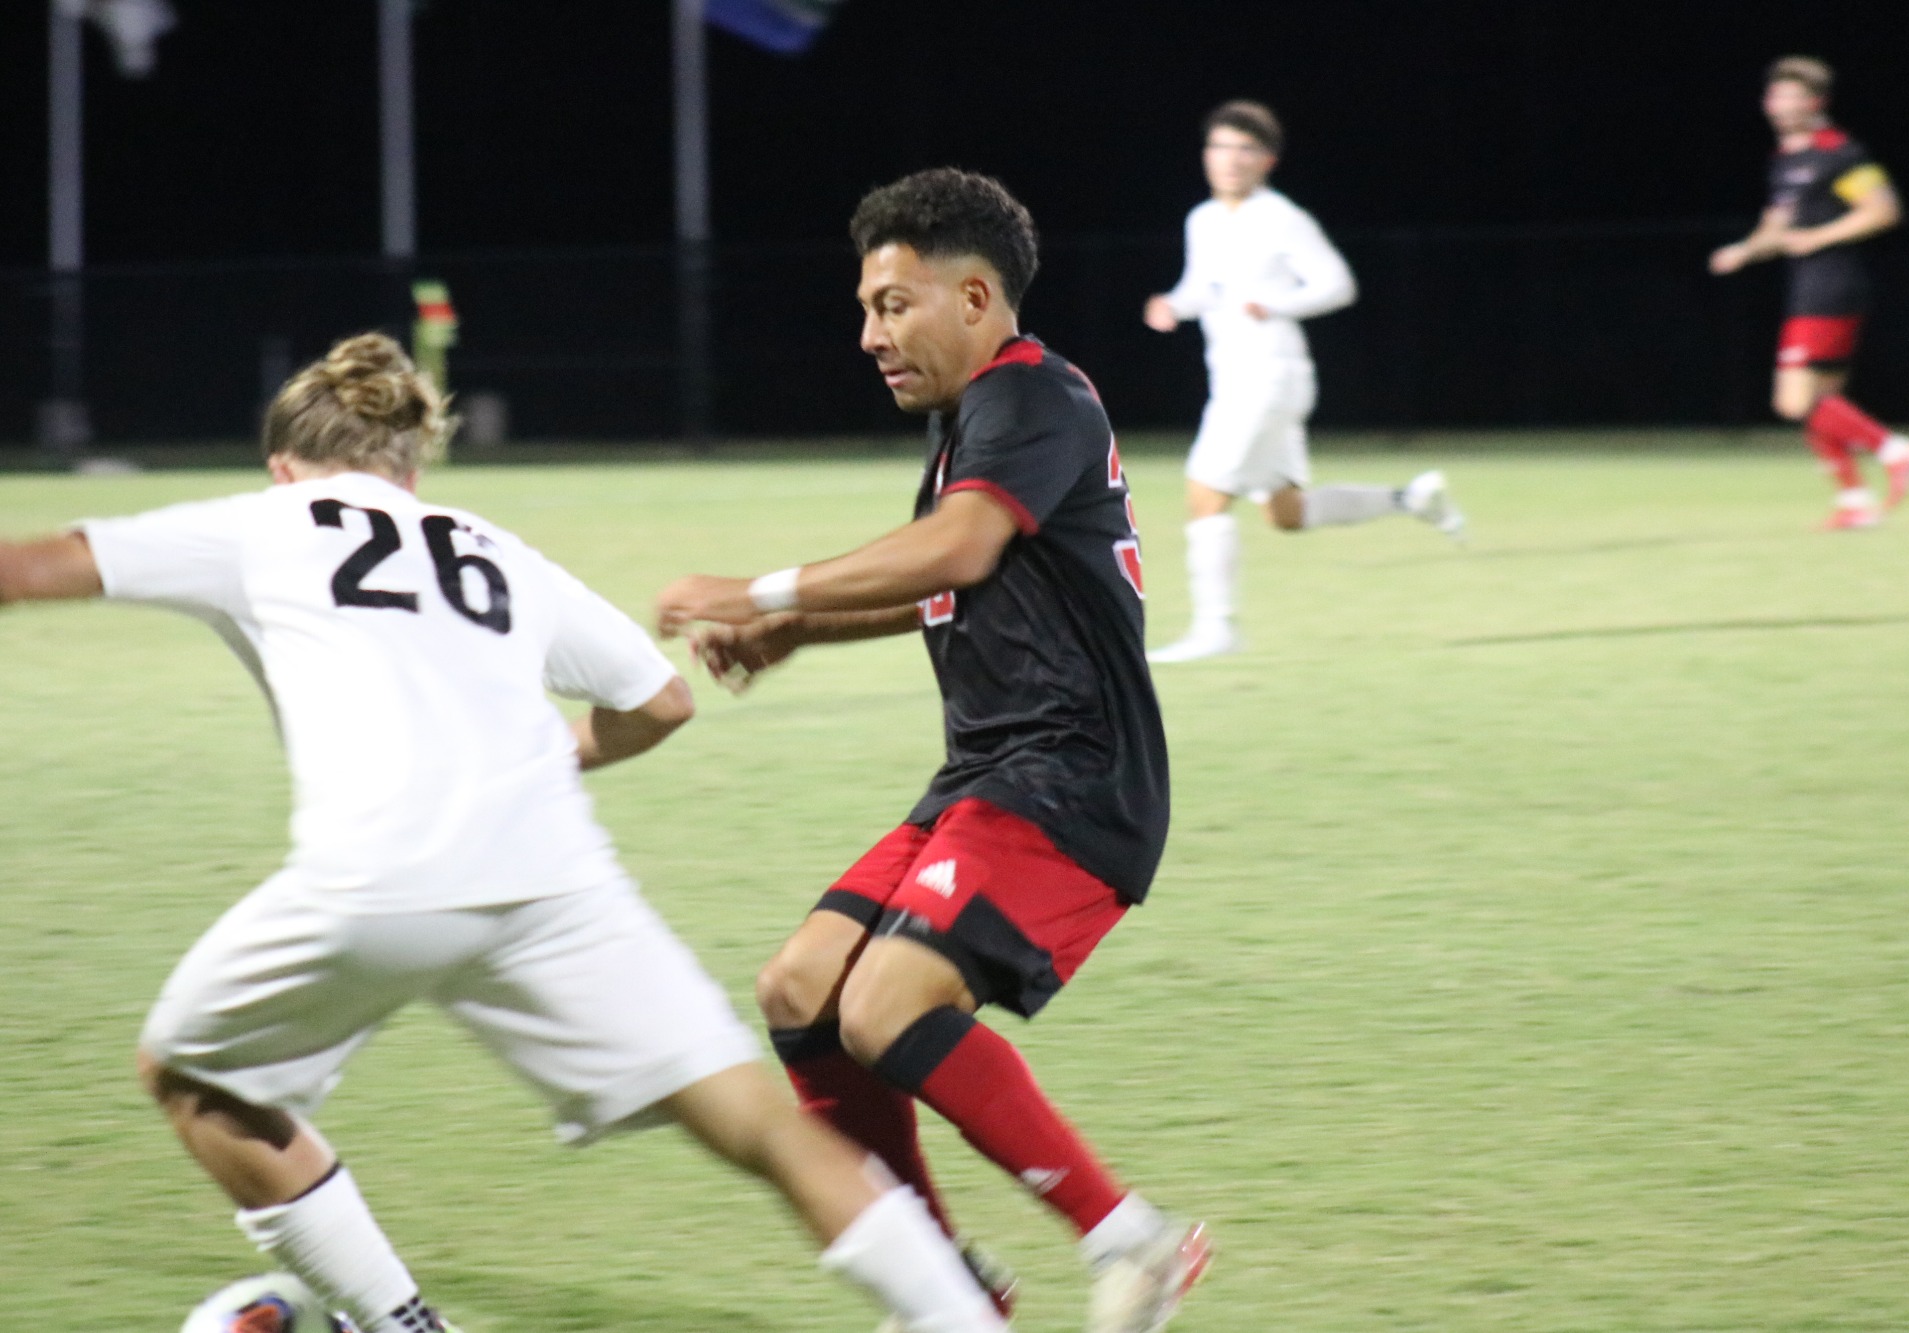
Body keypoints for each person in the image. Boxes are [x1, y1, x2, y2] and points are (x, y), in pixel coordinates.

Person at [0, 335, 1004, 1333]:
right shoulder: (485, 544)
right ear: (410, 465)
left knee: (191, 1075)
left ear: (281, 467)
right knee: (763, 1130)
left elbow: (42, 563)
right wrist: (544, 752)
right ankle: (958, 1321)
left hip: (373, 878)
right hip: (552, 882)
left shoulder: (267, 522)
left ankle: (401, 1323)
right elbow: (658, 701)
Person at [656, 168, 1211, 1333]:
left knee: (886, 1002)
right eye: (866, 308)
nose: (870, 335)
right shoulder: (982, 421)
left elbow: (954, 553)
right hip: (989, 775)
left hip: (1072, 777)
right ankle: (940, 1284)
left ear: (973, 297)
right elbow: (959, 585)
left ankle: (1133, 1241)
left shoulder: (1035, 395)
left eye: (892, 304)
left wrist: (760, 589)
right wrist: (797, 629)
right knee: (801, 989)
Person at [1143, 99, 1464, 663]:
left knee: (1204, 493)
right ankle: (1411, 498)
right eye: (1220, 147)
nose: (1230, 160)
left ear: (1266, 160)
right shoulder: (1204, 219)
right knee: (1286, 514)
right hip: (1238, 381)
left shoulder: (1281, 217)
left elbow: (1338, 284)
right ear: (1206, 155)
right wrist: (1173, 303)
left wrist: (1275, 302)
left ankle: (1216, 628)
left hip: (1268, 376)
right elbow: (1203, 288)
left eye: (1245, 150)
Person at [1709, 56, 1909, 530]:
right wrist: (1745, 250)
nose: (1778, 105)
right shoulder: (1785, 159)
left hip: (1833, 286)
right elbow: (1779, 224)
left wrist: (1818, 238)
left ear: (1816, 102)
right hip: (1808, 287)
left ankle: (1894, 449)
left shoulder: (1840, 153)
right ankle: (1854, 501)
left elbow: (1883, 211)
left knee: (1793, 403)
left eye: (1791, 97)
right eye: (1774, 96)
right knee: (1822, 407)